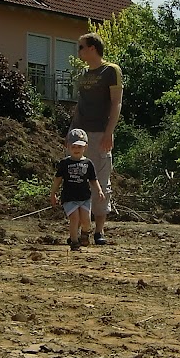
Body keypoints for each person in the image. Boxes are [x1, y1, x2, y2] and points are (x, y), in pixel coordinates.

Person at [71, 31, 122, 245]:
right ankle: (81, 230)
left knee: (101, 181)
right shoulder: (82, 74)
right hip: (81, 136)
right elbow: (79, 106)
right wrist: (71, 132)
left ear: (92, 48)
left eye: (81, 47)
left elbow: (116, 103)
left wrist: (109, 131)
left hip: (100, 133)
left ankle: (99, 231)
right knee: (77, 182)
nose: (79, 51)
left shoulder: (111, 71)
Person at [51, 128, 104, 251]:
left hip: (84, 197)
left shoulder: (88, 163)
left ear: (85, 147)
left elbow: (93, 179)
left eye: (79, 147)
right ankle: (74, 242)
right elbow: (58, 179)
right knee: (74, 218)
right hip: (69, 197)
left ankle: (84, 234)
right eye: (74, 146)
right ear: (68, 146)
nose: (76, 149)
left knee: (86, 221)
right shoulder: (64, 163)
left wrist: (99, 190)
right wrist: (53, 193)